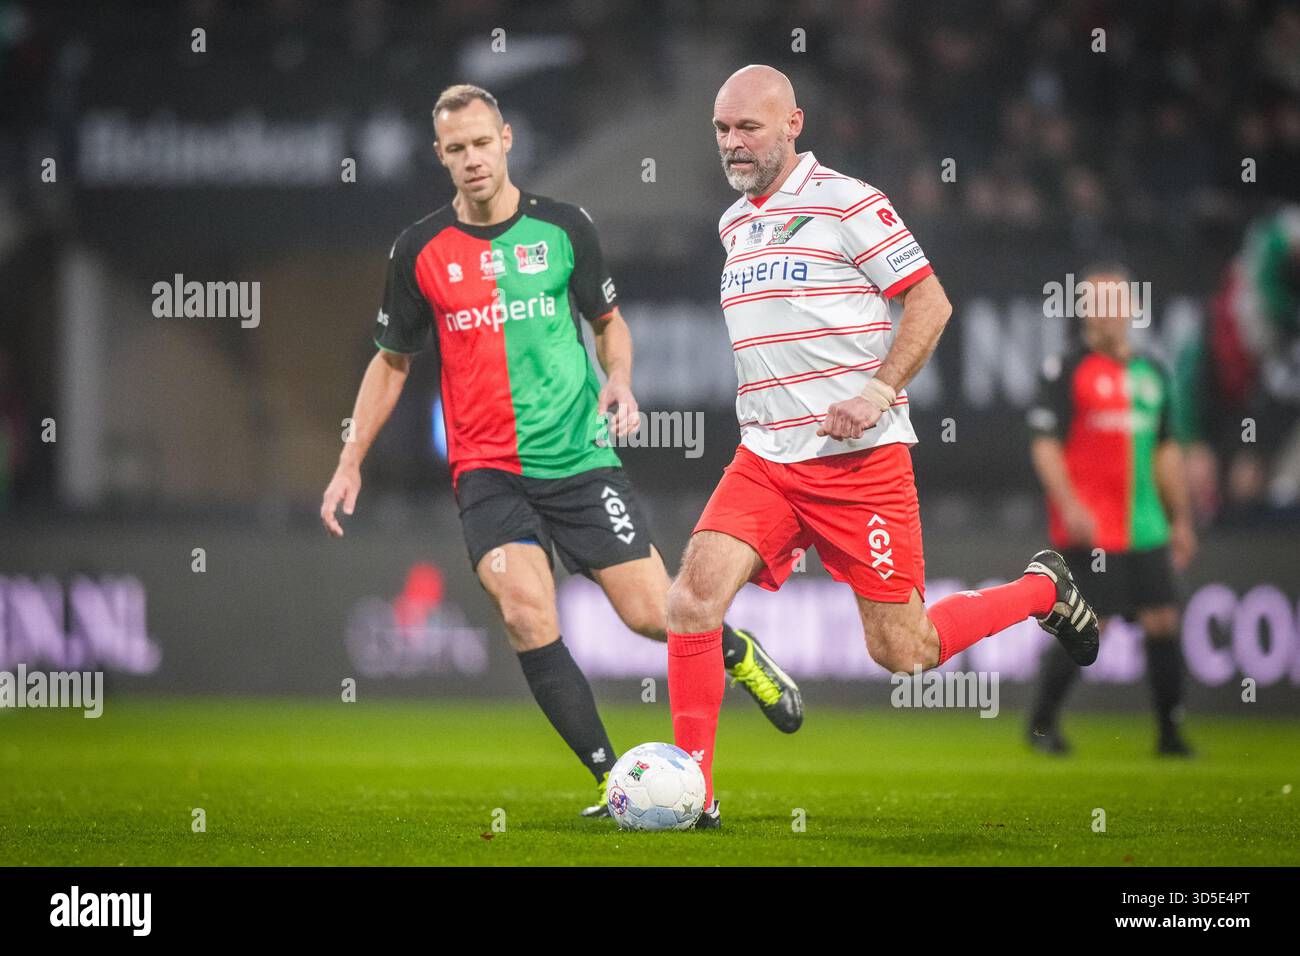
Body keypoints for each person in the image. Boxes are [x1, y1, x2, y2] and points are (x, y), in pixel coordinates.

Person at [320, 84, 803, 817]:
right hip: (487, 473)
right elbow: (391, 360)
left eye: (483, 143)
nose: (473, 160)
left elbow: (608, 322)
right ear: (440, 157)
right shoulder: (419, 251)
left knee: (653, 615)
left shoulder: (565, 229)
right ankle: (613, 783)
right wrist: (350, 458)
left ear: (506, 138)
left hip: (579, 459)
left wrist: (620, 381)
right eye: (457, 150)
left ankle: (738, 655)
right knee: (524, 614)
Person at [666, 65, 1101, 829]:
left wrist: (874, 391)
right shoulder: (735, 222)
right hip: (766, 460)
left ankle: (1042, 590)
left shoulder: (849, 202)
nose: (731, 144)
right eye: (720, 130)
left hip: (858, 464)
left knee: (906, 652)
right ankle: (692, 798)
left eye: (748, 129)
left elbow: (930, 302)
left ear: (793, 124)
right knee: (692, 602)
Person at [1027, 264, 1198, 756]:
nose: (1104, 314)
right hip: (1091, 528)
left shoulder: (1153, 374)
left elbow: (1166, 452)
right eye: (1094, 303)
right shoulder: (1066, 371)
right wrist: (1069, 504)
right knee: (1087, 624)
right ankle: (1041, 724)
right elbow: (1044, 445)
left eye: (1114, 302)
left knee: (1163, 619)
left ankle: (1169, 736)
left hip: (1146, 526)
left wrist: (1180, 519)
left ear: (1131, 308)